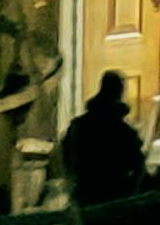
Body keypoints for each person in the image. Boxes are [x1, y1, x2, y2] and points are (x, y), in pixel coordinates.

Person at [60, 69, 149, 211]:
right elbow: (139, 168)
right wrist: (131, 194)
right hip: (115, 198)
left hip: (84, 195)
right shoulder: (125, 133)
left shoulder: (79, 126)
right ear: (121, 92)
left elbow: (66, 159)